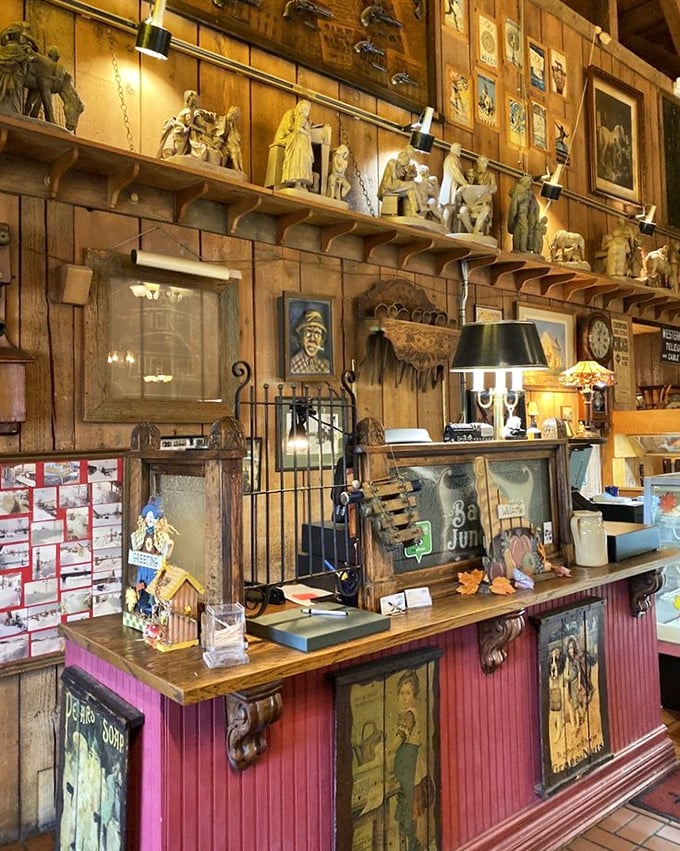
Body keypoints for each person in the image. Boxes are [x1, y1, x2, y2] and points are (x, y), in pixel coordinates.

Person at [387, 669, 432, 851]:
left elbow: (401, 737)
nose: (405, 697)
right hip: (406, 764)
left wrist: (388, 749)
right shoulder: (406, 713)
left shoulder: (409, 715)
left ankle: (413, 844)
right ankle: (409, 841)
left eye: (408, 693)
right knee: (406, 803)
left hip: (411, 765)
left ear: (414, 695)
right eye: (402, 693)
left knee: (410, 805)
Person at [272, 99, 315, 189]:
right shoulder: (292, 114)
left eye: (308, 110)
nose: (307, 112)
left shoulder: (305, 118)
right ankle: (298, 181)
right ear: (301, 109)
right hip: (292, 139)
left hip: (302, 141)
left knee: (305, 158)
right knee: (298, 157)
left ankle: (303, 182)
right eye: (305, 109)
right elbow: (292, 127)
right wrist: (306, 133)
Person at [378, 144, 420, 217]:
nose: (408, 161)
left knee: (411, 191)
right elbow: (394, 178)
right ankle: (421, 205)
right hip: (389, 187)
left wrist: (409, 174)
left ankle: (414, 212)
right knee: (412, 184)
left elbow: (403, 180)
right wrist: (402, 172)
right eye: (408, 159)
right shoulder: (393, 162)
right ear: (402, 157)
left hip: (395, 187)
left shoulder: (402, 168)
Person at [289, 309, 330, 374]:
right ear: (301, 337)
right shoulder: (292, 365)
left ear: (322, 340)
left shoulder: (327, 366)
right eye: (308, 333)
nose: (312, 339)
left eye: (317, 334)